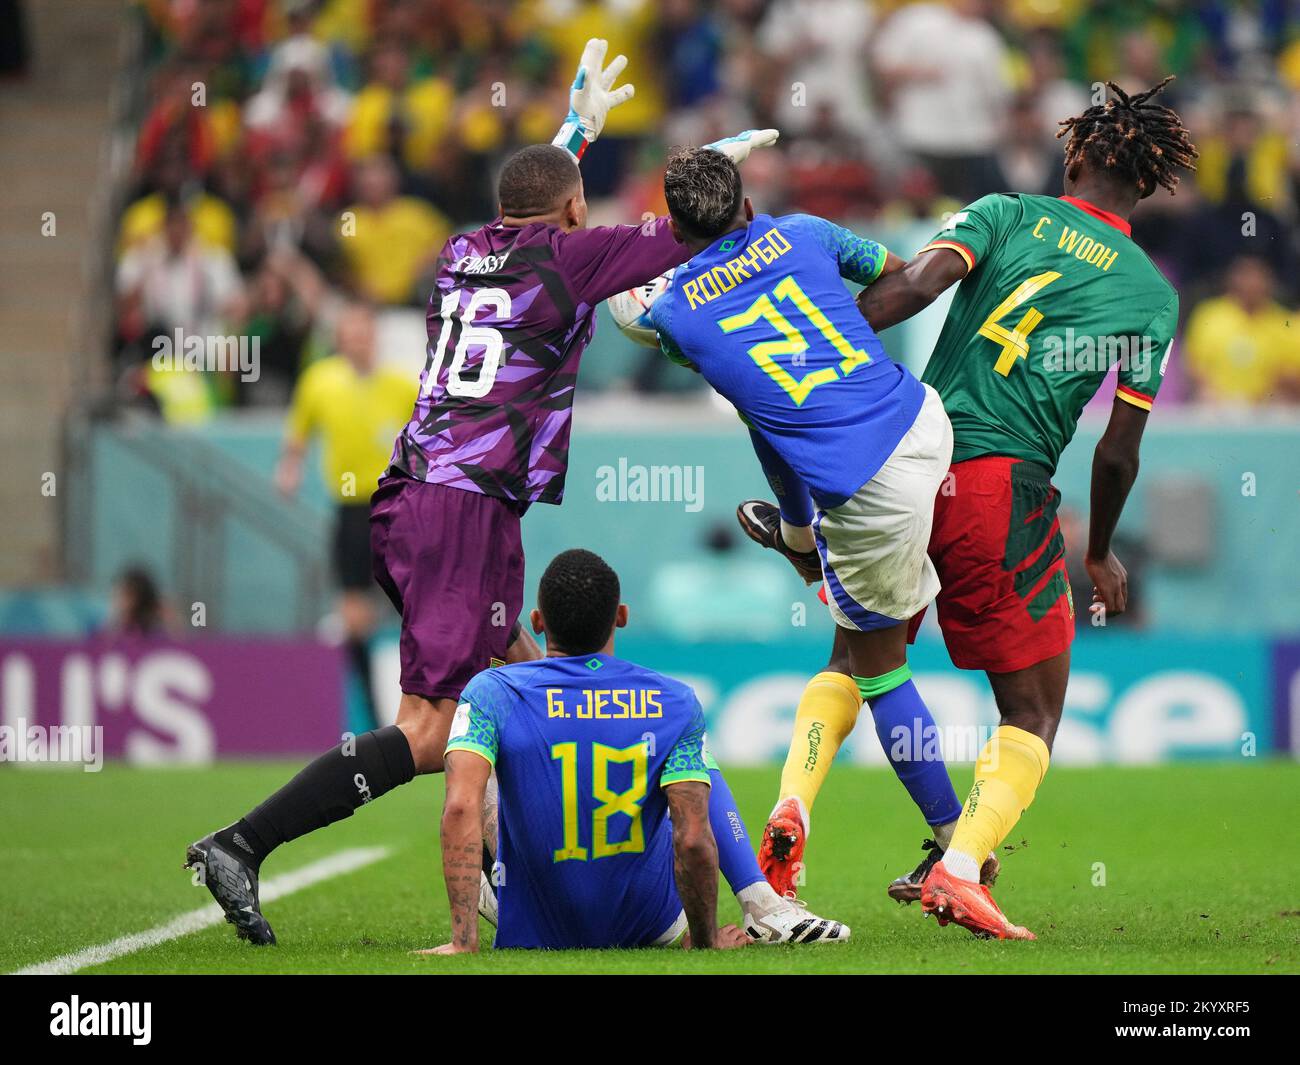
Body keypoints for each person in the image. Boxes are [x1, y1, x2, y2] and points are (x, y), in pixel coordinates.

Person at [186, 40, 777, 946]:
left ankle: (528, 888)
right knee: (427, 734)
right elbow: (690, 230)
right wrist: (716, 175)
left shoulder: (460, 251)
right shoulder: (573, 260)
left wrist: (575, 130)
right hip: (462, 510)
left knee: (522, 674)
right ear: (574, 209)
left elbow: (537, 204)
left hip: (411, 494)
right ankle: (243, 842)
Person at [752, 78, 1198, 939]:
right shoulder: (1151, 295)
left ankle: (792, 807)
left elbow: (914, 287)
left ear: (1072, 156)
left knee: (857, 655)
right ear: (1145, 185)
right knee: (1032, 709)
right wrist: (1099, 550)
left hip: (903, 452)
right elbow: (1117, 449)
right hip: (1004, 481)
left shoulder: (1005, 211)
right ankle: (959, 866)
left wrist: (809, 350)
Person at [648, 146, 968, 911]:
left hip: (865, 488)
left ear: (677, 233)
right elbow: (900, 272)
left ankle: (957, 844)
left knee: (878, 666)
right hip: (921, 421)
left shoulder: (675, 317)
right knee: (847, 629)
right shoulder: (804, 231)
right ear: (748, 207)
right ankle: (806, 545)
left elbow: (653, 312)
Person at [428, 549, 846, 952]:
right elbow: (694, 839)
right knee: (689, 762)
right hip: (653, 922)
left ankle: (496, 896)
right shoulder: (672, 698)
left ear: (537, 622)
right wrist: (705, 942)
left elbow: (461, 809)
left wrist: (463, 942)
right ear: (622, 617)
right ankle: (762, 902)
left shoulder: (491, 691)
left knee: (475, 769)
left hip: (534, 922)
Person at [277, 302, 417, 727]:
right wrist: (290, 467)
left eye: (364, 332)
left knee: (417, 606)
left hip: (398, 505)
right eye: (350, 333)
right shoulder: (320, 382)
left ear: (374, 336)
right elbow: (299, 433)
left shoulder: (400, 384)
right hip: (351, 511)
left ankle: (422, 701)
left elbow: (427, 435)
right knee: (354, 614)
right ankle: (375, 716)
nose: (358, 340)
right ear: (340, 339)